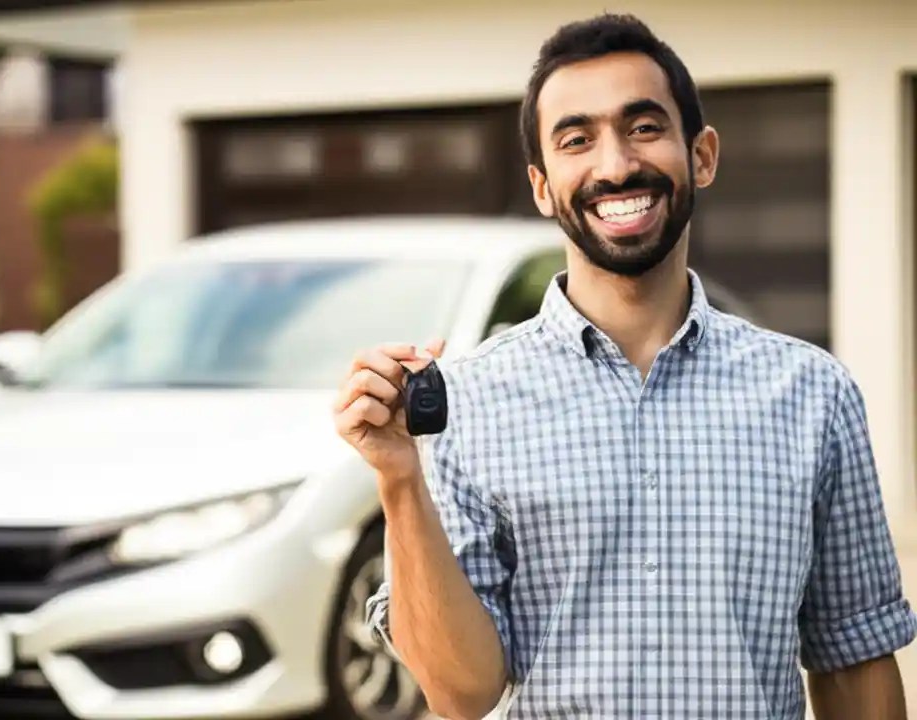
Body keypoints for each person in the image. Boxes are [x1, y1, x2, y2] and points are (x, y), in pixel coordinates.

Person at [332, 13, 917, 720]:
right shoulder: (472, 401)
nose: (614, 166)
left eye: (643, 127)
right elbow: (462, 691)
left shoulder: (814, 395)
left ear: (701, 156)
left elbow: (855, 662)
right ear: (544, 186)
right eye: (576, 140)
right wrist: (399, 480)